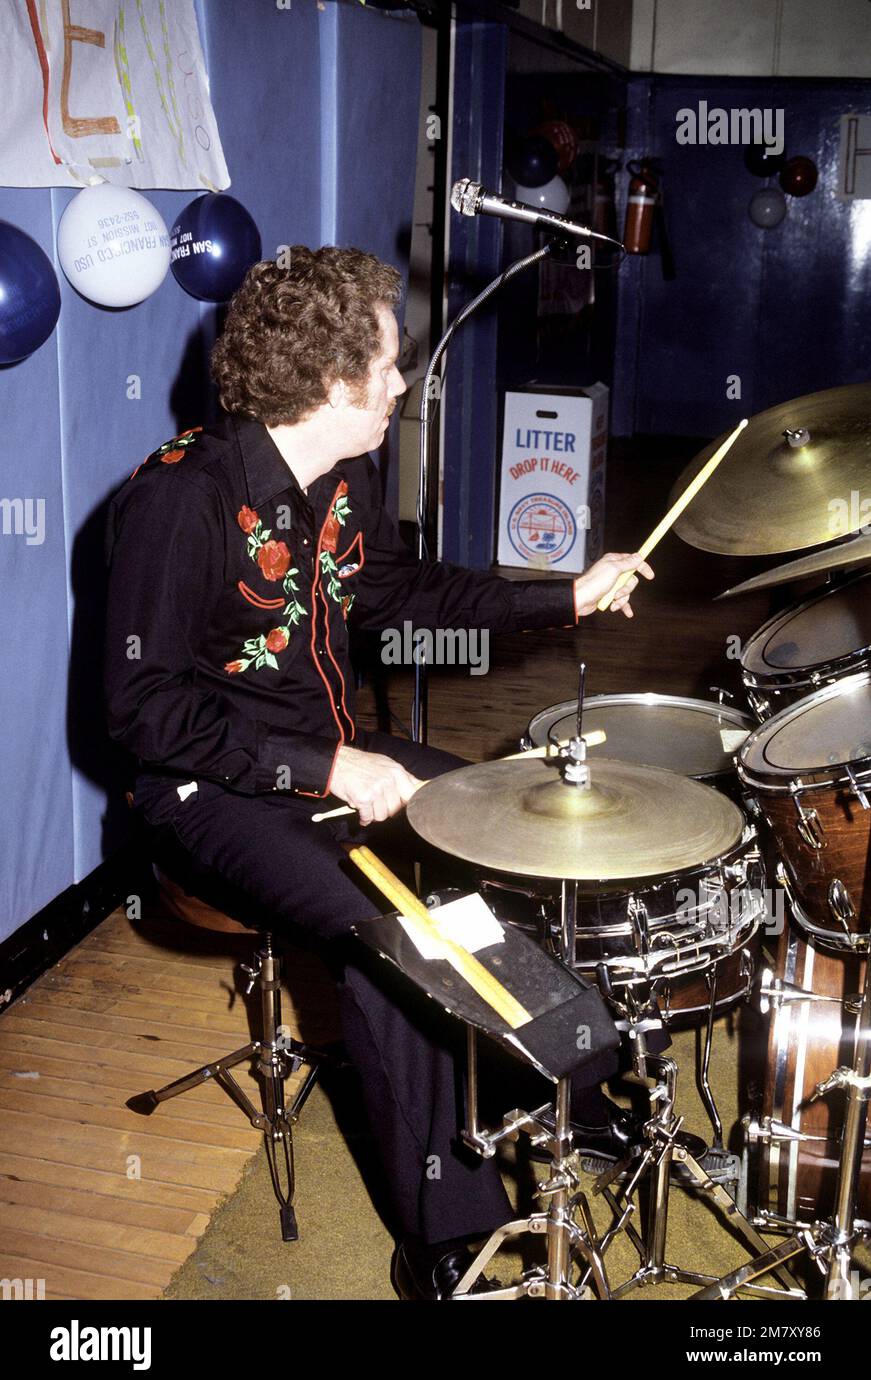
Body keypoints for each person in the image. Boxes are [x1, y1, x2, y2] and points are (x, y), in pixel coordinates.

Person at [103, 246, 653, 1299]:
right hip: (204, 791)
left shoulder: (345, 473)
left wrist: (566, 596)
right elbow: (141, 712)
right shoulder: (180, 501)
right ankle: (452, 1245)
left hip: (337, 754)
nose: (404, 383)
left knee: (514, 836)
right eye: (391, 365)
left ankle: (575, 1098)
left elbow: (398, 590)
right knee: (398, 945)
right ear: (330, 381)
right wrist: (324, 763)